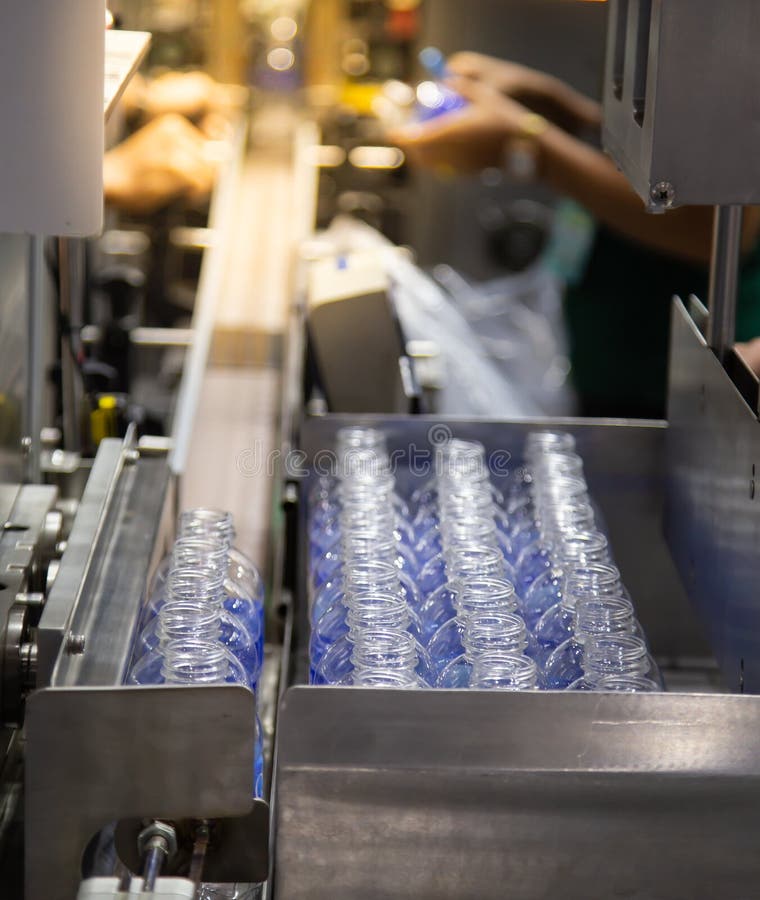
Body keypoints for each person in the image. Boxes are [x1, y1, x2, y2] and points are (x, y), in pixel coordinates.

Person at [390, 53, 760, 417]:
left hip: (678, 381)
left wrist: (534, 146)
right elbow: (676, 149)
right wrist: (571, 115)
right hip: (613, 360)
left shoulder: (728, 29)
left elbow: (714, 228)